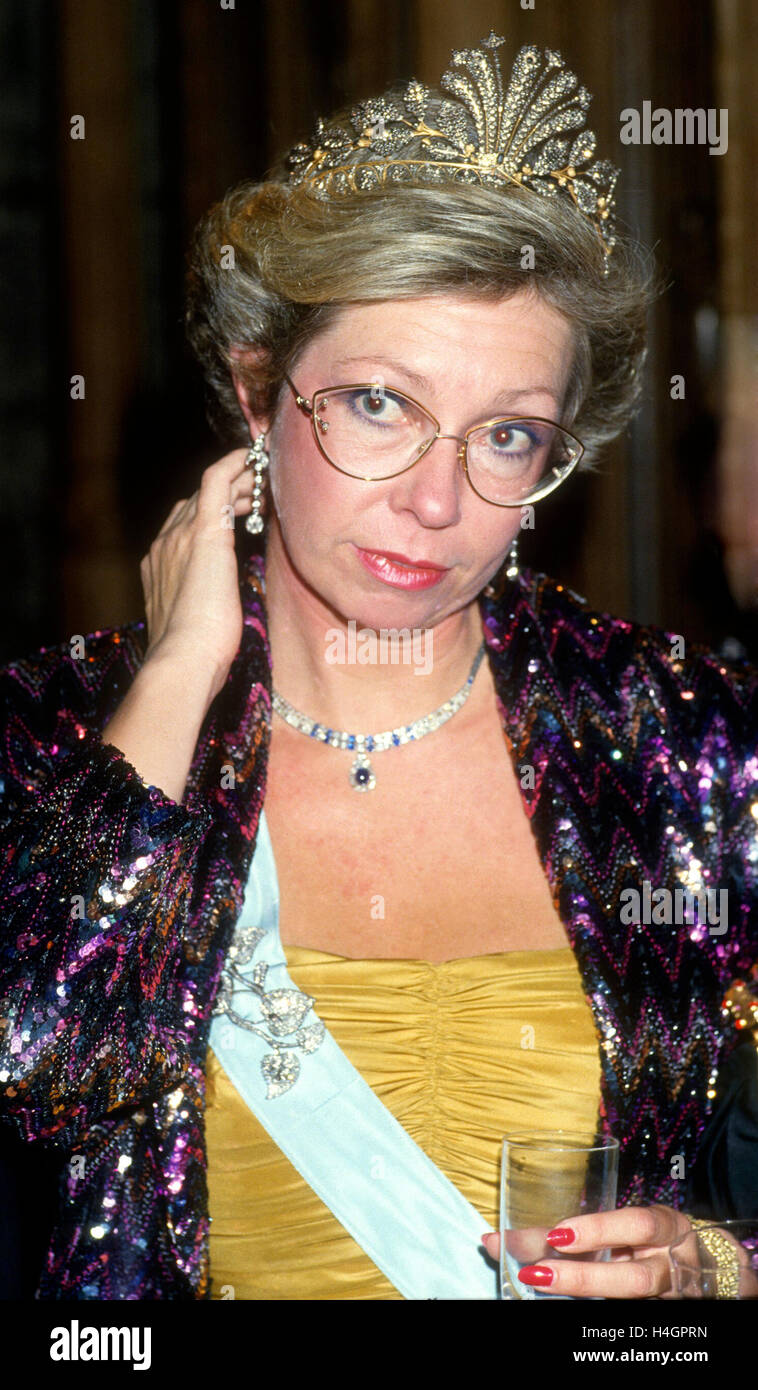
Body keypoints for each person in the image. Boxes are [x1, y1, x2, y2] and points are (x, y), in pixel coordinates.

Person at [0, 32, 756, 1301]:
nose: (433, 500)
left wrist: (715, 1275)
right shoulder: (58, 736)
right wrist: (181, 675)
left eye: (505, 436)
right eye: (378, 405)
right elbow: (45, 1063)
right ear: (256, 392)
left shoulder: (687, 746)